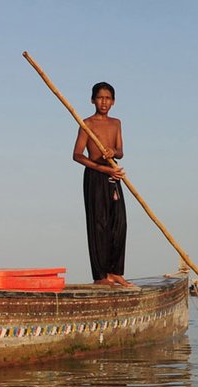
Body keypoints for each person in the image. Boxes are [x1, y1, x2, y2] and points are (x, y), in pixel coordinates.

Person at [72, 82, 130, 287]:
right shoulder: (86, 124)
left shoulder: (116, 123)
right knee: (99, 224)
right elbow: (77, 155)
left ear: (113, 102)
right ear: (92, 100)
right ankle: (100, 275)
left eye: (108, 98)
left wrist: (113, 153)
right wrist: (102, 169)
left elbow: (121, 151)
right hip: (95, 175)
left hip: (113, 173)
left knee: (119, 223)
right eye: (100, 97)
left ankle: (115, 271)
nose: (103, 102)